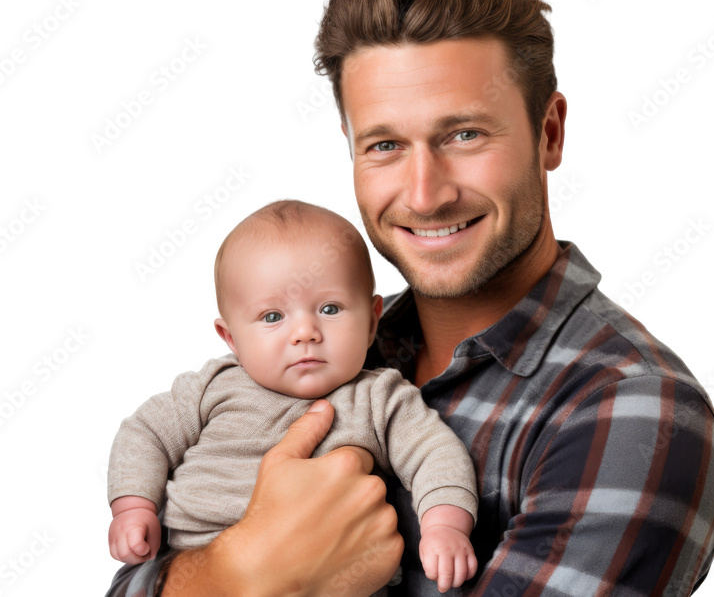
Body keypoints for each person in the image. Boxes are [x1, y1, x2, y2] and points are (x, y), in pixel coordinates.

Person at [107, 0, 714, 597]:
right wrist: (237, 572)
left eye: (463, 135)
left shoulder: (630, 410)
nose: (425, 193)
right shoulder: (326, 340)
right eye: (385, 145)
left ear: (548, 133)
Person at [107, 200, 478, 594]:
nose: (305, 332)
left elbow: (434, 453)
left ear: (372, 321)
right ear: (231, 337)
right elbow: (145, 434)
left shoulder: (380, 397)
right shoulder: (212, 386)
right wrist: (133, 506)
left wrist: (445, 525)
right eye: (272, 317)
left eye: (330, 308)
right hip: (203, 558)